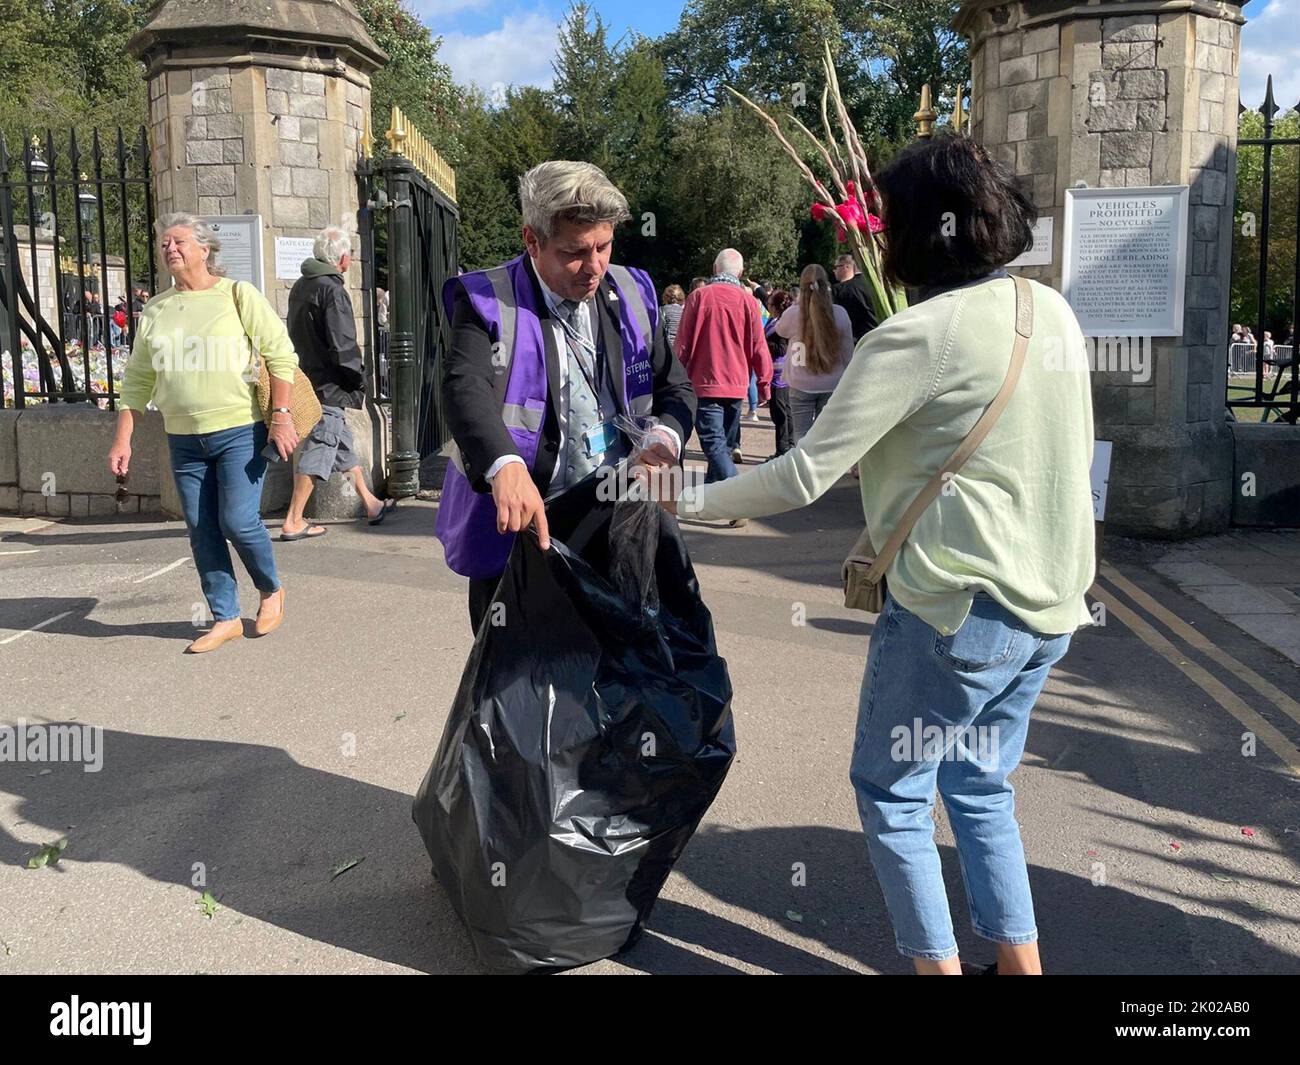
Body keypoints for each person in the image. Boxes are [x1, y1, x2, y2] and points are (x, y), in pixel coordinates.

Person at [662, 134, 1096, 975]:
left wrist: (673, 498)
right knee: (979, 786)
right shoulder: (1053, 309)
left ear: (915, 234)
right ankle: (1020, 968)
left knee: (894, 791)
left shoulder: (917, 337)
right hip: (1051, 609)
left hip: (954, 613)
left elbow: (800, 475)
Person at [438, 160, 697, 633]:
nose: (595, 266)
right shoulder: (484, 298)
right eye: (574, 252)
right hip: (524, 528)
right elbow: (464, 387)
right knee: (518, 693)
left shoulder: (635, 291)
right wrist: (504, 466)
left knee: (623, 687)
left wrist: (664, 437)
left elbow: (675, 386)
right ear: (531, 241)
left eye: (604, 245)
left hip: (619, 520)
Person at [109, 214, 298, 653]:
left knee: (237, 520)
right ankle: (225, 616)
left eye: (177, 241)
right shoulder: (156, 309)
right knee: (200, 527)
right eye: (163, 244)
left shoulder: (236, 294)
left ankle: (270, 590)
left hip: (238, 429)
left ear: (204, 249)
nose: (169, 248)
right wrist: (123, 439)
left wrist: (283, 415)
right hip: (183, 437)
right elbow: (137, 379)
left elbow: (279, 353)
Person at [281, 225, 394, 540]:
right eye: (352, 254)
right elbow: (343, 344)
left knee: (341, 445)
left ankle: (371, 504)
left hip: (310, 377)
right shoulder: (332, 290)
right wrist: (358, 377)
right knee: (321, 446)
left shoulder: (301, 286)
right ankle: (294, 519)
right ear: (343, 258)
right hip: (329, 385)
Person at [674, 248, 772, 505]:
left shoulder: (698, 297)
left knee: (715, 446)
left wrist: (673, 378)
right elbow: (759, 347)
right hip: (738, 385)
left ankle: (740, 499)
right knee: (723, 446)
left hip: (706, 383)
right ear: (740, 272)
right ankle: (711, 497)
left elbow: (682, 344)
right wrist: (764, 383)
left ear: (715, 269)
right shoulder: (750, 302)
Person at [776, 263, 855, 441]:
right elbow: (848, 353)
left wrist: (796, 305)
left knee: (801, 434)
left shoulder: (793, 314)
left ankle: (803, 467)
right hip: (831, 381)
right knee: (826, 436)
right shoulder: (840, 313)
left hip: (800, 380)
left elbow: (781, 331)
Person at [764, 288, 794, 458]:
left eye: (770, 304)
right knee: (783, 411)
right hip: (778, 372)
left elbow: (782, 349)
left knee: (781, 413)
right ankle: (787, 446)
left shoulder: (781, 324)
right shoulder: (776, 320)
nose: (768, 307)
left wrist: (763, 342)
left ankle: (783, 449)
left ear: (776, 307)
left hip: (780, 374)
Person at [832, 253, 878, 344]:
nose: (834, 271)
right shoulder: (875, 286)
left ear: (845, 267)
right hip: (878, 336)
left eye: (836, 267)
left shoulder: (838, 290)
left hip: (855, 342)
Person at [660, 283, 686, 356]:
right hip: (681, 347)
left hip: (667, 346)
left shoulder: (662, 310)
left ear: (665, 297)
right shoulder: (684, 311)